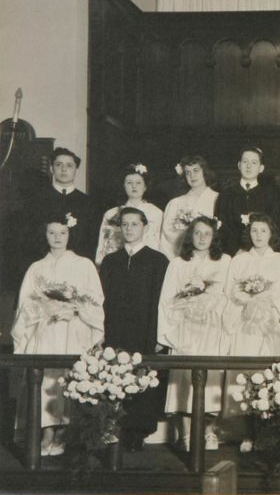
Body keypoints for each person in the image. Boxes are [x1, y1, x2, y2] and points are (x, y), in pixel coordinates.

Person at [11, 214, 105, 456]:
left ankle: (64, 434)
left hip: (72, 328)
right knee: (46, 382)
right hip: (46, 330)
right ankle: (46, 433)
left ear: (69, 234)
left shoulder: (84, 265)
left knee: (69, 379)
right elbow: (25, 302)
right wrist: (45, 308)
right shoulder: (36, 267)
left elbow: (94, 299)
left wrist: (73, 309)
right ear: (45, 236)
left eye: (62, 232)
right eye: (52, 233)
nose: (57, 237)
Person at [98, 207, 170, 451]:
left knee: (143, 378)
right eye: (125, 225)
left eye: (134, 224)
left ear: (145, 228)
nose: (129, 229)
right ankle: (114, 427)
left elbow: (162, 301)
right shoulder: (110, 261)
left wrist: (159, 335)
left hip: (145, 330)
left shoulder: (158, 261)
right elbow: (103, 299)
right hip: (116, 330)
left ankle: (138, 432)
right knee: (116, 375)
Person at [220, 212, 280, 452]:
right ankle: (248, 434)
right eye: (254, 231)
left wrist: (267, 301)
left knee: (272, 375)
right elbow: (231, 292)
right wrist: (248, 301)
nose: (258, 235)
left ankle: (272, 433)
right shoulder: (239, 261)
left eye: (263, 231)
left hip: (273, 324)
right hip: (247, 325)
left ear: (271, 233)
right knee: (248, 376)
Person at [157, 215, 231, 451]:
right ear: (191, 236)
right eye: (197, 233)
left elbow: (229, 295)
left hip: (212, 327)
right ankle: (187, 433)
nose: (202, 238)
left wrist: (211, 309)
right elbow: (167, 298)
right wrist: (172, 327)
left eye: (207, 233)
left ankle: (209, 432)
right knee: (184, 378)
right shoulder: (178, 263)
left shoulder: (225, 262)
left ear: (214, 237)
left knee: (212, 379)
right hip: (185, 328)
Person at [23, 147, 99, 267]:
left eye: (69, 165)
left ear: (76, 170)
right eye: (59, 165)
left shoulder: (88, 203)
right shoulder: (37, 200)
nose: (64, 169)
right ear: (52, 169)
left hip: (77, 266)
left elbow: (91, 240)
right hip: (44, 264)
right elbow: (30, 237)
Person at [214, 146, 280, 257]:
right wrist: (236, 250)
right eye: (245, 162)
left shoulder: (270, 195)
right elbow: (222, 226)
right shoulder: (227, 194)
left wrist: (258, 250)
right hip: (233, 254)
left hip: (262, 254)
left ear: (261, 168)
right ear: (239, 165)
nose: (249, 166)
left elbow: (274, 226)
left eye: (254, 163)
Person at [95, 163, 164, 265]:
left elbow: (160, 241)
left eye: (138, 183)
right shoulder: (111, 213)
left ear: (145, 186)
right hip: (118, 262)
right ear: (124, 185)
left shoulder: (156, 213)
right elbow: (103, 243)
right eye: (129, 182)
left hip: (148, 262)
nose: (134, 186)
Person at [160, 155, 220, 260]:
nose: (192, 175)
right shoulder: (175, 203)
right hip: (184, 256)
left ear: (204, 172)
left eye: (196, 170)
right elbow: (167, 233)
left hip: (211, 256)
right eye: (187, 172)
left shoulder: (218, 199)